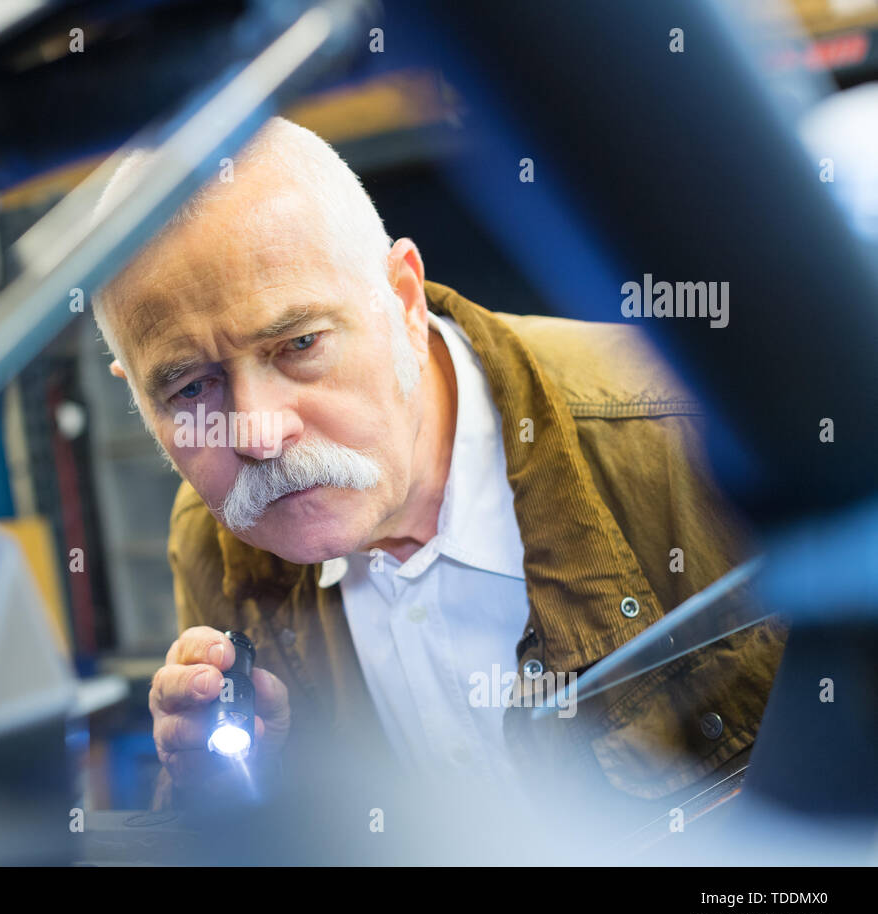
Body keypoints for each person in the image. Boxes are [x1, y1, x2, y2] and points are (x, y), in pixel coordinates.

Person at [89, 116, 786, 822]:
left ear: (404, 298)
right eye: (189, 389)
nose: (261, 435)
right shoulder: (213, 541)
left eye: (299, 344)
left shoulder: (697, 436)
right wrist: (225, 798)